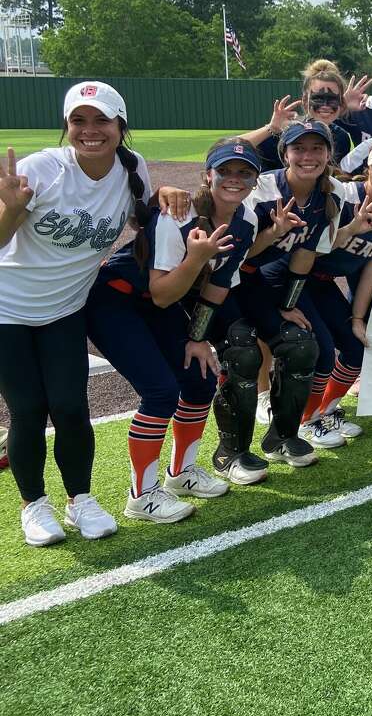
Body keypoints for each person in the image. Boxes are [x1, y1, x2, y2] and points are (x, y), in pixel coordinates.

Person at [0, 82, 153, 545]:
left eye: (101, 120)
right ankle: (34, 505)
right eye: (78, 121)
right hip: (7, 310)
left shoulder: (132, 169)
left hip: (65, 310)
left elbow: (143, 223)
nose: (90, 131)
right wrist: (11, 209)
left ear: (120, 127)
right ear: (66, 127)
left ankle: (80, 499)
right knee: (27, 410)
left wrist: (171, 202)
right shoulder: (41, 169)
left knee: (69, 406)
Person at [86, 139, 265, 522]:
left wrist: (198, 338)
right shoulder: (178, 215)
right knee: (161, 391)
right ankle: (141, 496)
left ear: (254, 180)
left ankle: (180, 474)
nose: (234, 179)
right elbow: (164, 294)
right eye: (225, 171)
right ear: (208, 175)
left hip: (156, 304)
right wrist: (198, 256)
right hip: (116, 300)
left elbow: (217, 287)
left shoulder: (246, 221)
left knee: (200, 379)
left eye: (244, 172)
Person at [276, 143, 372, 448]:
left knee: (354, 346)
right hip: (295, 274)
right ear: (368, 169)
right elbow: (316, 247)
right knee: (321, 349)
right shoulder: (343, 194)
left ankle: (326, 409)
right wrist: (351, 228)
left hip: (321, 282)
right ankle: (306, 422)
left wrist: (358, 318)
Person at [237, 120, 345, 467]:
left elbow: (304, 255)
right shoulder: (262, 190)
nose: (308, 156)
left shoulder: (332, 195)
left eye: (317, 148)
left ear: (329, 154)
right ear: (284, 153)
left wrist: (287, 304)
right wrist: (273, 232)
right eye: (299, 148)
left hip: (273, 276)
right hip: (234, 278)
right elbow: (238, 255)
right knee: (243, 353)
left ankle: (287, 432)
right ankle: (236, 449)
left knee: (321, 350)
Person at [241, 60, 357, 170]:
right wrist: (271, 128)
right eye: (318, 98)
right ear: (305, 101)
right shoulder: (285, 131)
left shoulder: (341, 138)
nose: (325, 105)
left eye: (332, 99)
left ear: (340, 102)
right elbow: (228, 148)